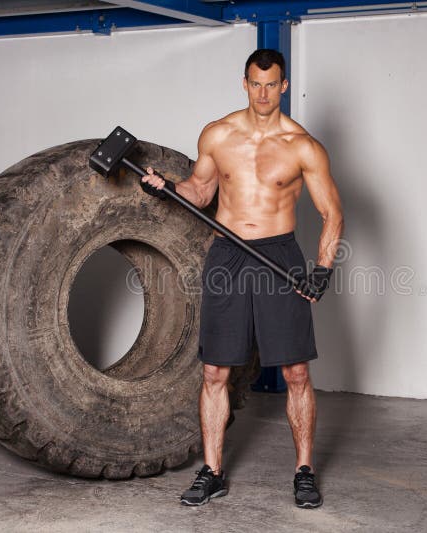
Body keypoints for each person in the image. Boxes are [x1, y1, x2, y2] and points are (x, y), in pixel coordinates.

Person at [140, 49, 344, 509]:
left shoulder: (303, 146)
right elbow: (201, 190)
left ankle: (304, 472)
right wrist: (169, 187)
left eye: (272, 85)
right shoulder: (218, 134)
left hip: (279, 254)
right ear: (245, 82)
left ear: (285, 86)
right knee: (215, 370)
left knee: (295, 371)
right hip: (227, 252)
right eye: (256, 83)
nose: (264, 93)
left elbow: (333, 213)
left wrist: (322, 270)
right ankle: (211, 471)